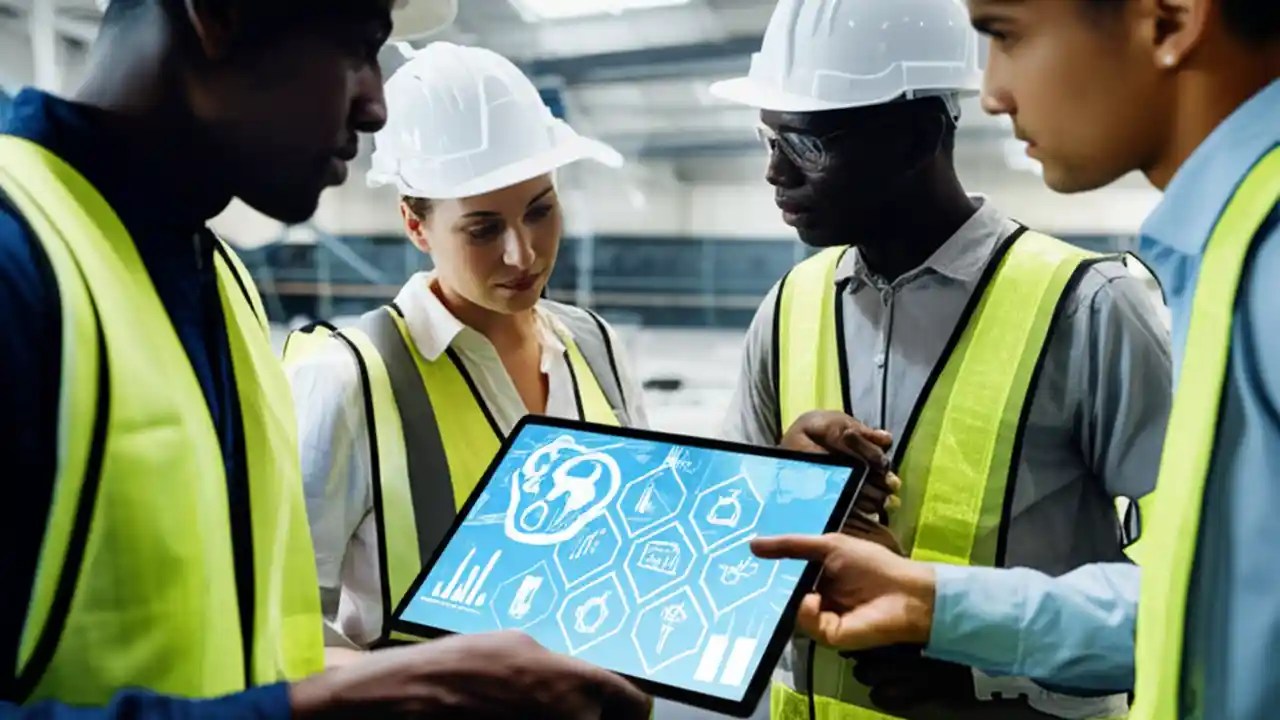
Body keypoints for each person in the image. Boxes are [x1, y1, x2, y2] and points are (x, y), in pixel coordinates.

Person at [0, 1, 650, 718]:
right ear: (218, 14)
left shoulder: (218, 281)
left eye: (539, 209)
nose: (374, 105)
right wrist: (341, 702)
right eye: (356, 46)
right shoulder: (17, 260)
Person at [752, 0, 1280, 719]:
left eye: (1003, 34)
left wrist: (1004, 687)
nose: (992, 92)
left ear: (1170, 19)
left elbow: (1198, 573)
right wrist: (785, 483)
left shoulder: (1097, 304)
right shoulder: (790, 304)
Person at [284, 41, 648, 660]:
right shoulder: (345, 378)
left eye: (541, 212)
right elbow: (285, 633)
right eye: (482, 229)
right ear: (416, 224)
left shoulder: (595, 346)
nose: (523, 255)